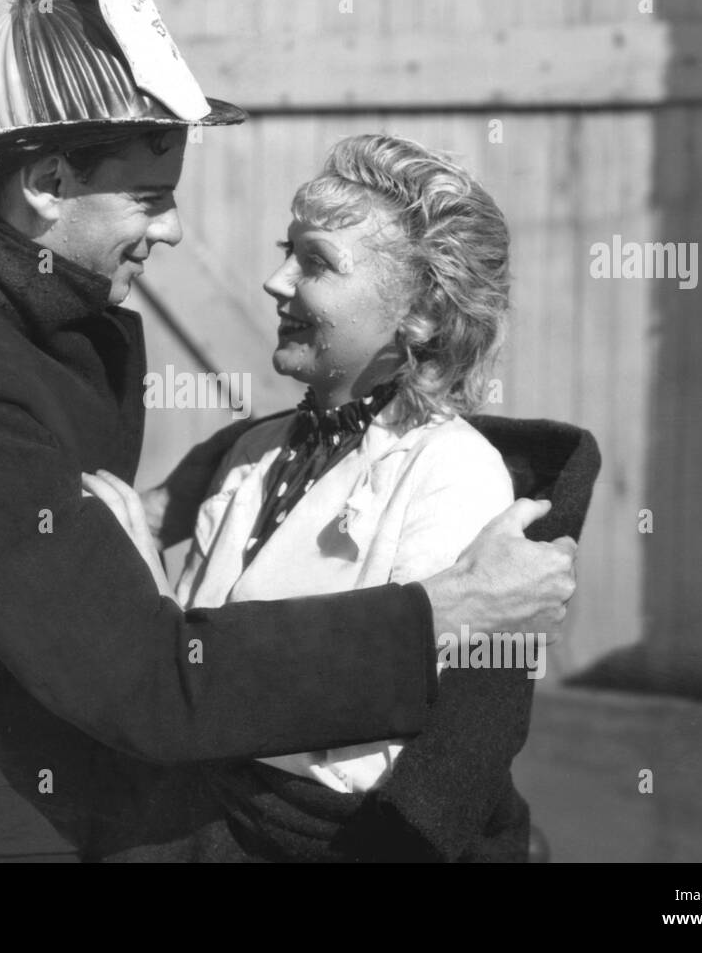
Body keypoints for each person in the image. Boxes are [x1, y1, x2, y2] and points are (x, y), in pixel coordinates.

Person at [0, 0, 576, 863]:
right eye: (149, 197)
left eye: (317, 263)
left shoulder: (33, 339)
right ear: (49, 185)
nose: (174, 230)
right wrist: (444, 614)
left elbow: (426, 776)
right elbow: (149, 681)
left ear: (418, 315)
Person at [85, 134, 601, 861]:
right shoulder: (251, 456)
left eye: (315, 262)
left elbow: (372, 744)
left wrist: (159, 610)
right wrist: (148, 586)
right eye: (284, 250)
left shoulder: (453, 475)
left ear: (420, 313)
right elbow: (196, 678)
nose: (274, 280)